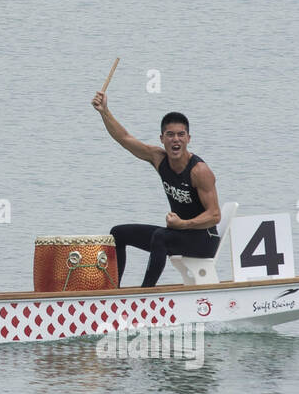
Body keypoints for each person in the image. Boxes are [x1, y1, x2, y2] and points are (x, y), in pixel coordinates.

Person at [91, 91, 221, 287]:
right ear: (162, 138)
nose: (175, 139)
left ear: (188, 138)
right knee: (118, 233)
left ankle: (145, 294)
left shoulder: (199, 171)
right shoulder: (158, 158)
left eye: (181, 135)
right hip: (178, 233)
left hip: (204, 239)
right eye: (170, 135)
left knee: (161, 237)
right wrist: (104, 111)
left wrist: (183, 224)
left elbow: (214, 215)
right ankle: (113, 292)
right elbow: (125, 139)